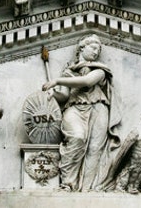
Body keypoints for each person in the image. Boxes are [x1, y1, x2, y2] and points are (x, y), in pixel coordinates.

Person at [41, 34, 118, 190]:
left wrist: (57, 80)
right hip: (75, 107)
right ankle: (68, 184)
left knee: (95, 149)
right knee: (77, 137)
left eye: (99, 49)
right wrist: (53, 94)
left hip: (97, 107)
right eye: (94, 47)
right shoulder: (68, 71)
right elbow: (64, 95)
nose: (96, 52)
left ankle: (87, 189)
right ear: (82, 47)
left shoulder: (101, 70)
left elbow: (87, 81)